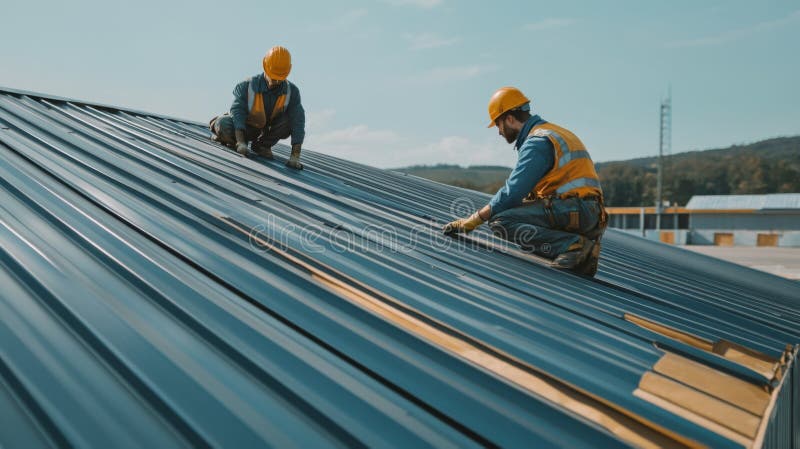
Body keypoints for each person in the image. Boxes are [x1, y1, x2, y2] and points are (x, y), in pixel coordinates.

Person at [443, 87, 607, 276]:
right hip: (589, 215)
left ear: (509, 119)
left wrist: (473, 220)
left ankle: (573, 246)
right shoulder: (553, 132)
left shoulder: (537, 142)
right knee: (531, 240)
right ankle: (582, 254)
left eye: (498, 125)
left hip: (576, 211)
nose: (499, 132)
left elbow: (512, 193)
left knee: (502, 220)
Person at [209, 46, 306, 169]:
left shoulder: (292, 92)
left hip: (265, 133)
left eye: (279, 79)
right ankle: (230, 139)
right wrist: (240, 141)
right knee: (223, 124)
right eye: (273, 77)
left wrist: (295, 155)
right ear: (265, 66)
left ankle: (262, 146)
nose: (275, 81)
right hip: (244, 128)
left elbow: (298, 121)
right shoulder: (248, 85)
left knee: (290, 121)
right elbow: (237, 111)